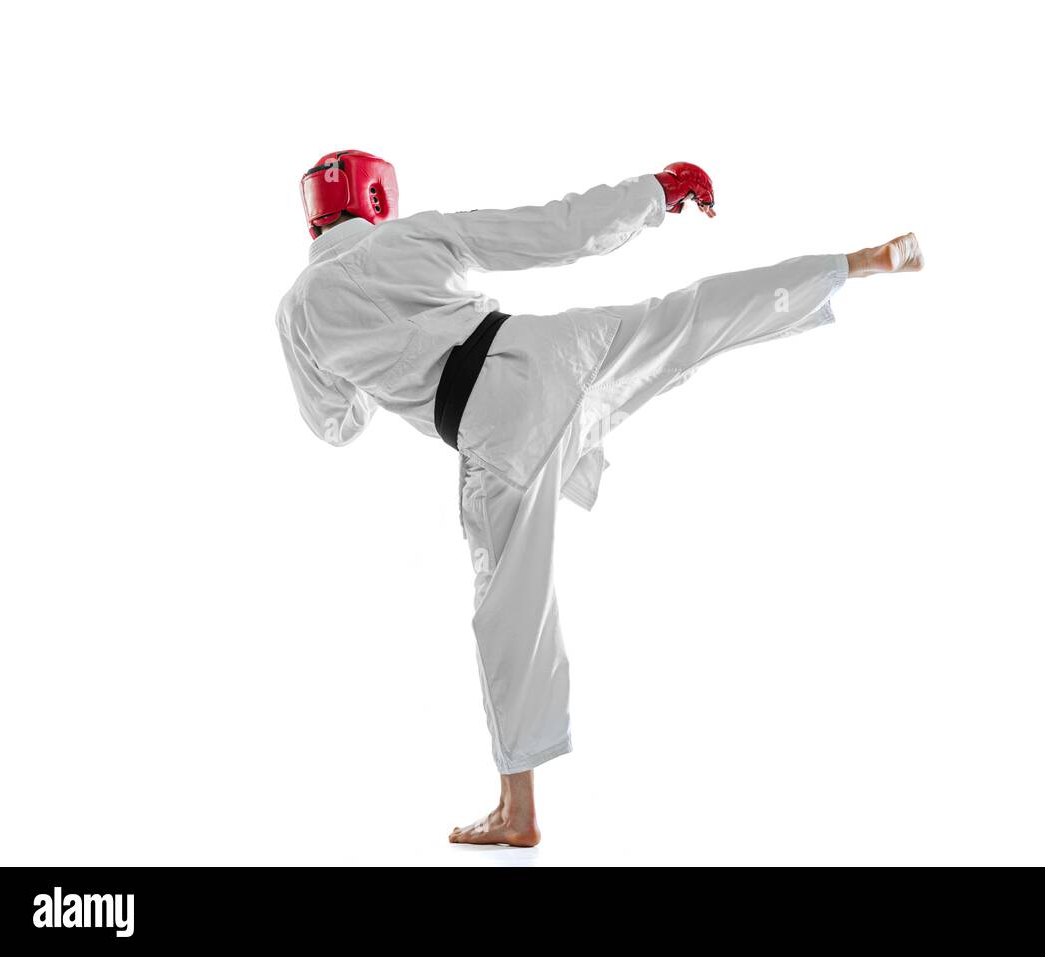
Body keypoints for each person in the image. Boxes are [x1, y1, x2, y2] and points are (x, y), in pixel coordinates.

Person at [276, 150, 924, 846]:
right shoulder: (407, 238)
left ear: (311, 216)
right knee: (687, 319)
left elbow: (334, 426)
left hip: (488, 429)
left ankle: (516, 809)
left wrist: (370, 361)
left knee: (510, 614)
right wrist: (656, 193)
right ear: (377, 198)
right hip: (549, 352)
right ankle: (853, 264)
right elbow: (553, 229)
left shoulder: (297, 313)